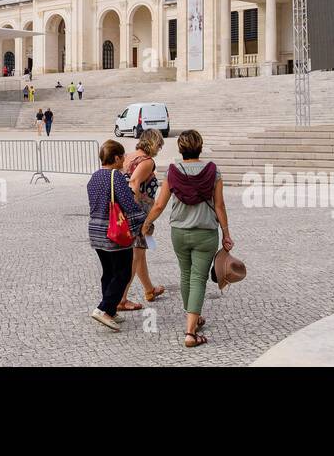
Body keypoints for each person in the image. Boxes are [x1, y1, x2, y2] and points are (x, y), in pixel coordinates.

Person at [143, 129, 233, 348]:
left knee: (186, 274)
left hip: (180, 233)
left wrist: (147, 223)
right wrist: (226, 234)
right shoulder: (213, 171)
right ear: (200, 146)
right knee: (198, 278)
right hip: (205, 233)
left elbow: (159, 204)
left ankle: (193, 317)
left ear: (180, 148)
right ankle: (190, 332)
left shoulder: (173, 172)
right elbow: (219, 205)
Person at [87, 139, 145, 331]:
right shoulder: (116, 176)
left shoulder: (94, 177)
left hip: (96, 230)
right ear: (116, 157)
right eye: (123, 157)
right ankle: (103, 309)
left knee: (109, 272)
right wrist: (143, 219)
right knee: (123, 272)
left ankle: (110, 311)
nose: (125, 161)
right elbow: (128, 204)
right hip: (114, 232)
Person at [123, 130, 166, 308]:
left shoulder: (128, 157)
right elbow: (133, 183)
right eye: (160, 144)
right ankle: (121, 298)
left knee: (139, 252)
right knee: (136, 256)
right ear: (154, 143)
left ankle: (149, 289)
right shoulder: (147, 162)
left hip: (124, 211)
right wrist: (144, 202)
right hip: (139, 214)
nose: (161, 148)